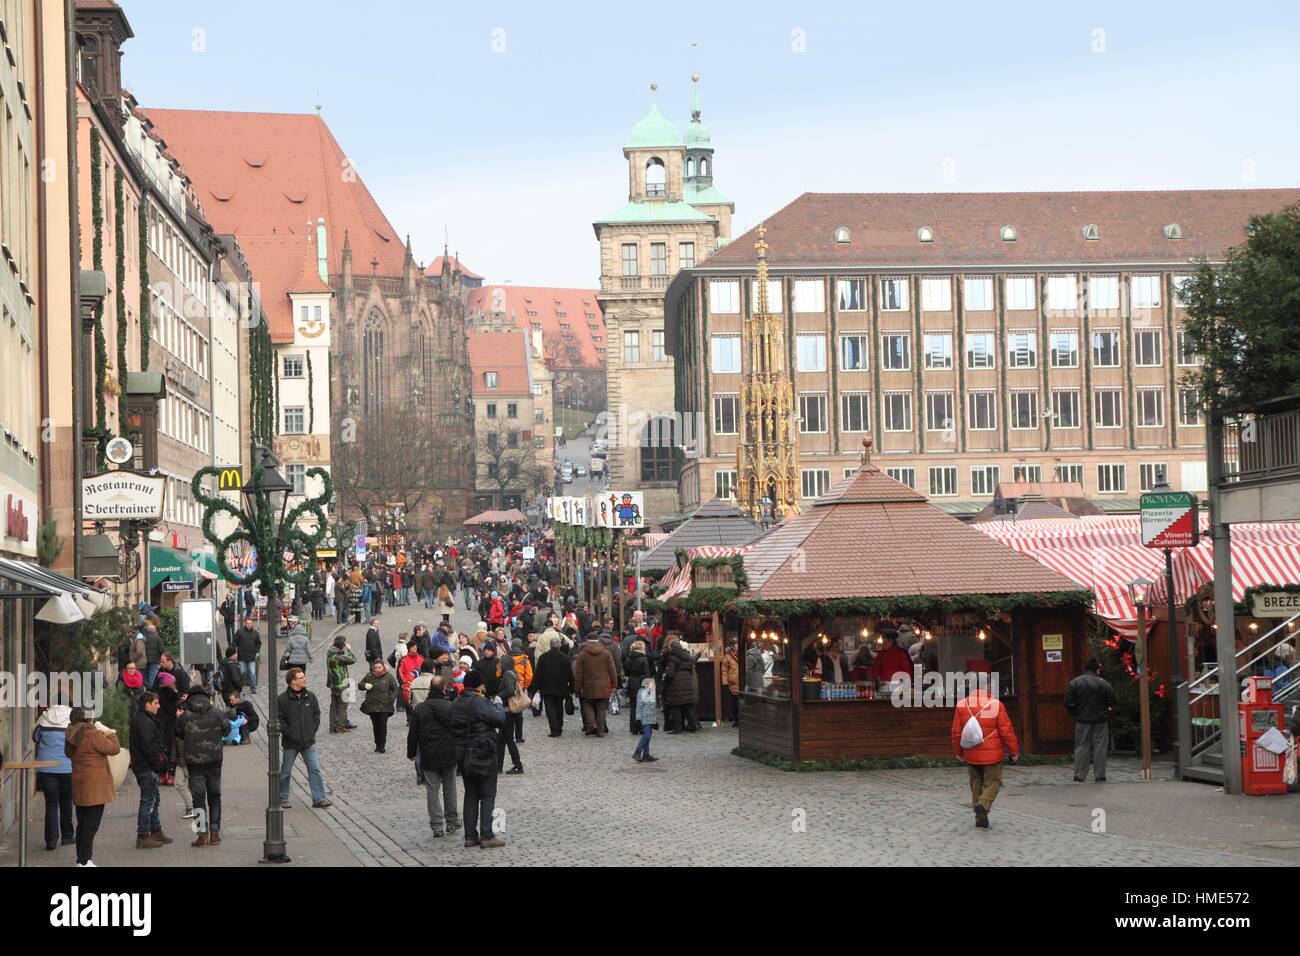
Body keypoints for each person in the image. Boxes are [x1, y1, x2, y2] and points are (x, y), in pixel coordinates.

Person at [450, 671, 507, 849]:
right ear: (478, 685)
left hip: (462, 754)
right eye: (482, 685)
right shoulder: (479, 702)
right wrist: (497, 705)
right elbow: (499, 719)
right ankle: (487, 835)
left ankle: (470, 836)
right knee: (488, 793)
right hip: (482, 752)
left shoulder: (456, 702)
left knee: (471, 794)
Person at [951, 684, 1019, 829]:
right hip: (992, 754)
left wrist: (958, 752)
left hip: (971, 752)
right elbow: (1007, 732)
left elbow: (956, 733)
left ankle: (979, 817)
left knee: (976, 782)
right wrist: (1014, 752)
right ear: (987, 688)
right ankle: (983, 804)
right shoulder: (995, 704)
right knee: (994, 782)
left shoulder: (962, 705)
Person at [175, 685, 231, 846]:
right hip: (215, 762)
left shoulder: (184, 716)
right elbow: (227, 731)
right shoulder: (217, 713)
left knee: (198, 800)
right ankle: (215, 832)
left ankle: (202, 834)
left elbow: (178, 733)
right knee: (215, 797)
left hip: (194, 765)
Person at [65, 707, 120, 867]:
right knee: (91, 824)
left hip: (79, 782)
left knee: (82, 823)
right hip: (95, 786)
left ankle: (81, 859)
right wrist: (110, 731)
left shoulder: (70, 733)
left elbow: (69, 753)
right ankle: (85, 860)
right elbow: (114, 749)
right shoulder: (93, 734)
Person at [408, 675, 460, 836]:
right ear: (444, 688)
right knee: (450, 788)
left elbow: (413, 733)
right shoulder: (450, 707)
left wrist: (411, 753)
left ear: (430, 688)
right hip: (448, 753)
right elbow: (457, 730)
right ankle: (452, 821)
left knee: (432, 790)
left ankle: (437, 825)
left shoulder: (421, 708)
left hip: (429, 753)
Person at [278, 667, 333, 809]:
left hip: (308, 741)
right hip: (291, 742)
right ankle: (283, 798)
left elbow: (316, 715)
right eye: (301, 677)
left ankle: (319, 798)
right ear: (292, 682)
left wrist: (311, 731)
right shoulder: (282, 699)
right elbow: (280, 719)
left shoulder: (310, 696)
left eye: (304, 676)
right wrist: (289, 733)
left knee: (315, 769)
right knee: (285, 772)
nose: (304, 679)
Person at [129, 691, 174, 849]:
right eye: (156, 703)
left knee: (154, 799)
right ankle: (143, 835)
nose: (159, 706)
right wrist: (160, 766)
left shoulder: (145, 720)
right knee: (148, 800)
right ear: (147, 704)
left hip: (147, 766)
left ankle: (155, 831)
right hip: (146, 767)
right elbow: (150, 748)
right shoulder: (144, 722)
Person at [1064, 657, 1117, 783]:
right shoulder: (1104, 683)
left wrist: (1075, 714)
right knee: (1100, 747)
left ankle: (1080, 775)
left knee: (1081, 747)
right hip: (1100, 720)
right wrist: (1107, 714)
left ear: (1085, 669)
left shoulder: (1075, 683)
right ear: (1096, 669)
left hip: (1082, 720)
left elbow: (1068, 702)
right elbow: (1113, 702)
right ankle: (1100, 775)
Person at [32, 704, 75, 851]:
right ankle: (68, 836)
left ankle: (51, 840)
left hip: (46, 767)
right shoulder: (71, 719)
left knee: (51, 803)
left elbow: (35, 738)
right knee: (66, 802)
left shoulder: (43, 719)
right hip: (67, 767)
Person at [572, 635, 619, 737]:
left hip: (587, 685)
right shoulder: (606, 653)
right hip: (603, 685)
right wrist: (615, 684)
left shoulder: (583, 654)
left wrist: (577, 687)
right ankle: (600, 730)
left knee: (588, 704)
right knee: (601, 708)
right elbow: (612, 670)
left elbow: (579, 673)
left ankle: (592, 723)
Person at [358, 659, 399, 753]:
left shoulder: (388, 676)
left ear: (383, 667)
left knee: (382, 726)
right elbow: (360, 685)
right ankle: (377, 745)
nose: (377, 669)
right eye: (375, 667)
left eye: (379, 667)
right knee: (375, 726)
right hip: (372, 706)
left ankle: (382, 745)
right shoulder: (369, 676)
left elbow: (395, 688)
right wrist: (364, 685)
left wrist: (391, 698)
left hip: (384, 706)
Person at [662, 638, 700, 733]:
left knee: (676, 707)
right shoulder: (687, 657)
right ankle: (694, 724)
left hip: (676, 685)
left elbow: (670, 674)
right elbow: (691, 669)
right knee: (687, 706)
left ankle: (677, 728)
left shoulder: (672, 659)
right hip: (687, 684)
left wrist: (665, 680)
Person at [496, 655, 524, 774]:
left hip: (508, 710)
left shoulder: (507, 674)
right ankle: (498, 766)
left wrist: (498, 696)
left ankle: (518, 765)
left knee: (508, 739)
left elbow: (510, 691)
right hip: (509, 711)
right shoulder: (513, 673)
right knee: (501, 740)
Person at [326, 635, 357, 733]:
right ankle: (340, 726)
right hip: (341, 684)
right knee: (343, 706)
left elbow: (339, 652)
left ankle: (332, 726)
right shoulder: (338, 657)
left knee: (334, 706)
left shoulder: (330, 653)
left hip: (333, 684)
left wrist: (341, 648)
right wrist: (349, 650)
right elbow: (352, 660)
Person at [624, 640, 652, 735]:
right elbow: (647, 673)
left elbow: (626, 672)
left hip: (632, 683)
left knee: (633, 707)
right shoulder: (643, 659)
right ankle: (641, 727)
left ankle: (633, 728)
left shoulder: (628, 659)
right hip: (641, 683)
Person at [233, 616, 262, 695]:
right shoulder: (239, 632)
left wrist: (255, 651)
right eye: (247, 623)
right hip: (241, 656)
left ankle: (253, 689)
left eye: (250, 623)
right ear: (245, 623)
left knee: (252, 673)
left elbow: (259, 643)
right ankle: (239, 688)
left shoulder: (255, 633)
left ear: (252, 624)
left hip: (251, 657)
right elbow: (234, 642)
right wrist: (234, 652)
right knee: (242, 673)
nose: (249, 625)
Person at [632, 679, 658, 763]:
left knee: (648, 737)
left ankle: (646, 754)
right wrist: (638, 719)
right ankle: (637, 752)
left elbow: (652, 709)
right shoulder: (642, 693)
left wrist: (654, 721)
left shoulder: (651, 692)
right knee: (646, 736)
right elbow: (638, 707)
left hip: (650, 719)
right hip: (644, 719)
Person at [398, 640, 425, 719]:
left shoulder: (421, 658)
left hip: (420, 683)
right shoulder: (403, 660)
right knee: (408, 701)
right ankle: (409, 718)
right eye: (413, 646)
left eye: (415, 646)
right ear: (409, 648)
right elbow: (400, 672)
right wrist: (404, 682)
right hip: (408, 683)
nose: (415, 648)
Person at [720, 641, 740, 728]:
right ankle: (737, 720)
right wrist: (725, 682)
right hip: (733, 683)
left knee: (742, 703)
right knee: (735, 703)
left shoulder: (743, 653)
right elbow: (724, 670)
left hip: (742, 682)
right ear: (732, 646)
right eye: (736, 645)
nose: (737, 646)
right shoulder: (727, 657)